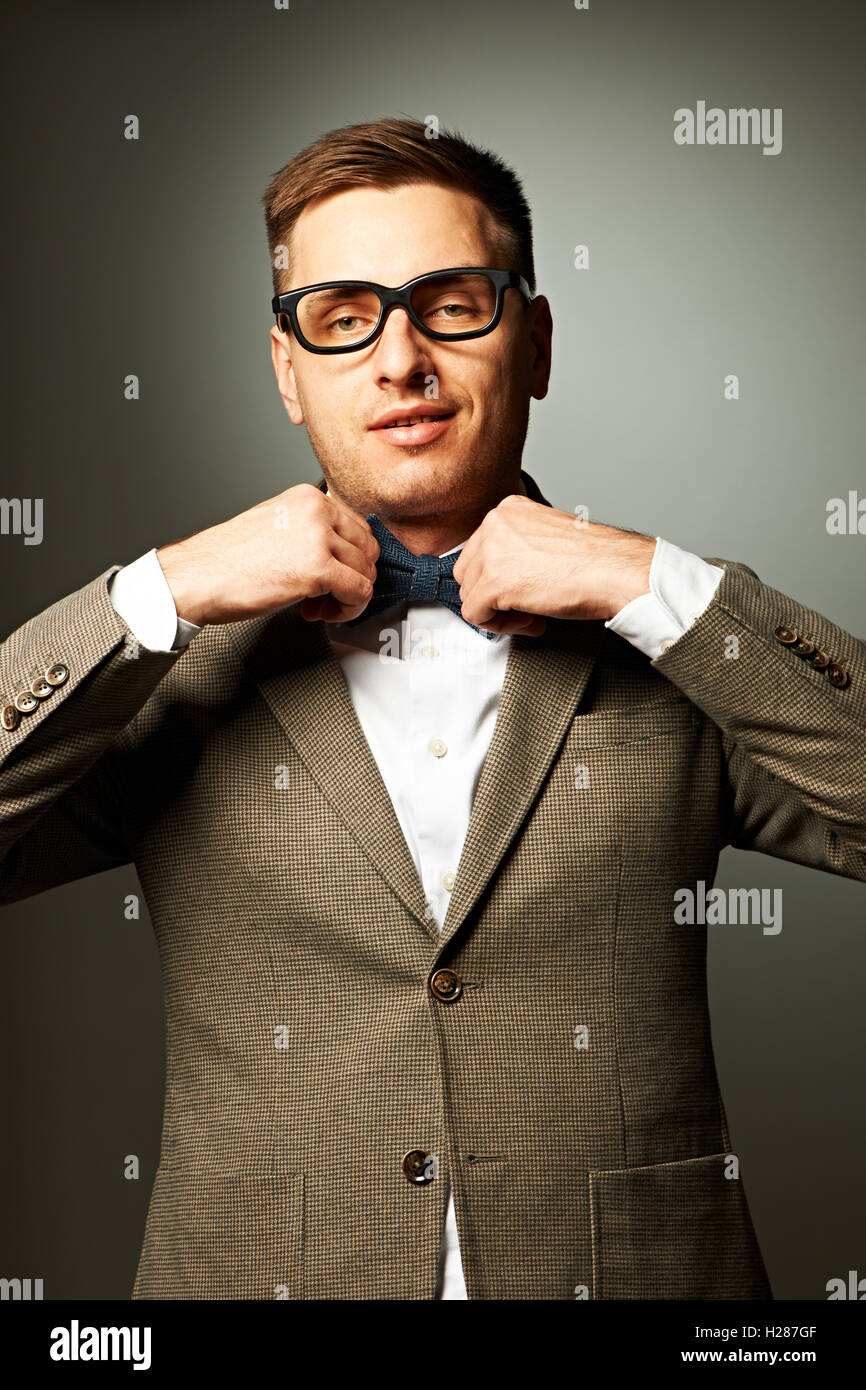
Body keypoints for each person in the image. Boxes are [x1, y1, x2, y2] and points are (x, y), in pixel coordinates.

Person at [1, 116, 863, 1300]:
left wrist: (654, 584)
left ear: (536, 340)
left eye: (451, 301)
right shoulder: (177, 666)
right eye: (342, 315)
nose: (399, 359)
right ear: (286, 371)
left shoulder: (676, 650)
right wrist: (158, 593)